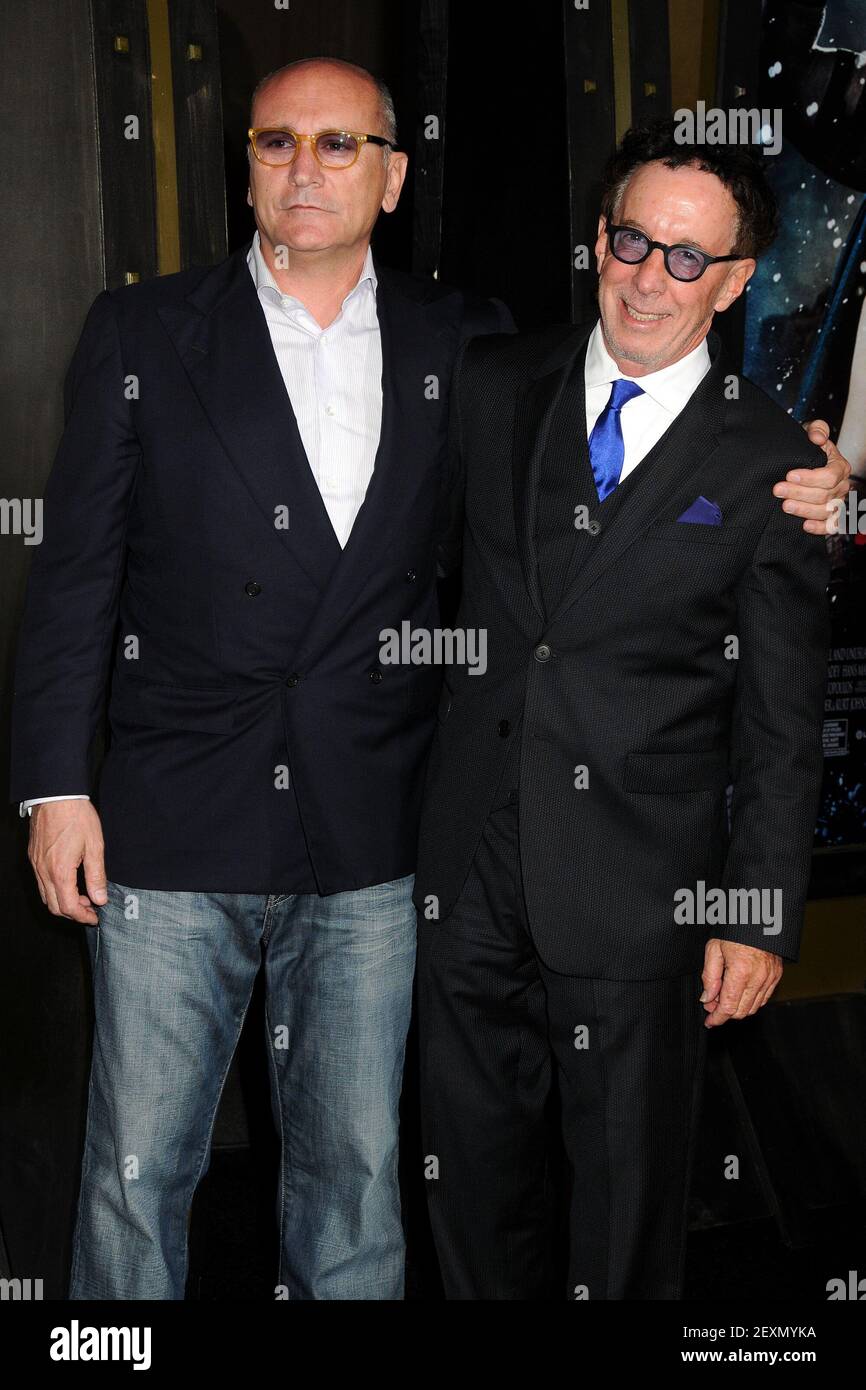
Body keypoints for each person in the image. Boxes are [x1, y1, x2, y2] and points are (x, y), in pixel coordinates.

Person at [9, 56, 512, 1300]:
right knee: (135, 1176)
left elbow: (590, 473)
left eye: (339, 144)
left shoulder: (466, 339)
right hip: (171, 820)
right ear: (245, 168)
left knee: (355, 1178)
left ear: (392, 177)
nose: (303, 168)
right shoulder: (142, 331)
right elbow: (75, 577)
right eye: (276, 142)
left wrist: (776, 470)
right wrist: (54, 788)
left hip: (372, 824)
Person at [413, 116, 844, 1300]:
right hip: (466, 870)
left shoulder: (773, 463)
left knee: (623, 1207)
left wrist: (755, 913)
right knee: (467, 1189)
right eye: (631, 241)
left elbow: (780, 720)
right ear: (597, 239)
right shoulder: (494, 383)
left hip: (644, 896)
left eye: (687, 257)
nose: (649, 278)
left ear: (735, 281)